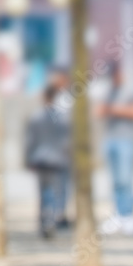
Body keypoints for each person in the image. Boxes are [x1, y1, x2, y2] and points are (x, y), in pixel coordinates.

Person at [97, 62, 133, 236]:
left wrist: (116, 110)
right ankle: (118, 215)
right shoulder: (107, 92)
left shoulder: (132, 90)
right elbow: (97, 111)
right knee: (115, 182)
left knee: (126, 180)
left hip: (126, 140)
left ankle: (129, 216)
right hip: (110, 139)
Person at [24, 84, 70, 239]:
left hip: (40, 159)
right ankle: (55, 218)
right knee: (58, 191)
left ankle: (45, 220)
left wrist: (28, 159)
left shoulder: (36, 117)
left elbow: (30, 141)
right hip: (57, 160)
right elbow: (67, 140)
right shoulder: (62, 117)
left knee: (43, 193)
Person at [48, 66, 72, 228]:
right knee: (51, 183)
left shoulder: (70, 98)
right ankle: (51, 214)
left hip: (64, 147)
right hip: (51, 146)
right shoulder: (50, 96)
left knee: (63, 182)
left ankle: (60, 213)